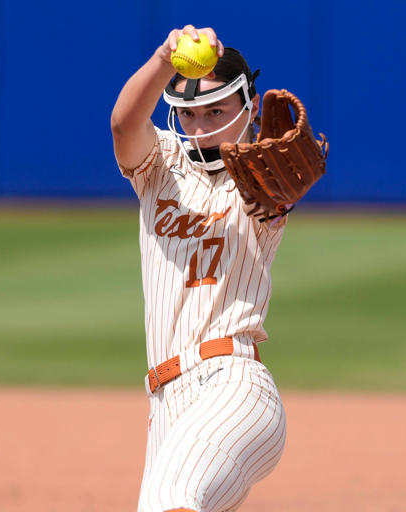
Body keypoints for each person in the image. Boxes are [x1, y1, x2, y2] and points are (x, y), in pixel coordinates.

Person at [111, 25, 290, 512]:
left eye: (216, 110)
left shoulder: (260, 173)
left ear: (247, 108)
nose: (200, 124)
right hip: (166, 402)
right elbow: (125, 125)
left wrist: (276, 196)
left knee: (169, 499)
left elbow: (272, 202)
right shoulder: (162, 163)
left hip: (234, 385)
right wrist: (161, 60)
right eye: (189, 113)